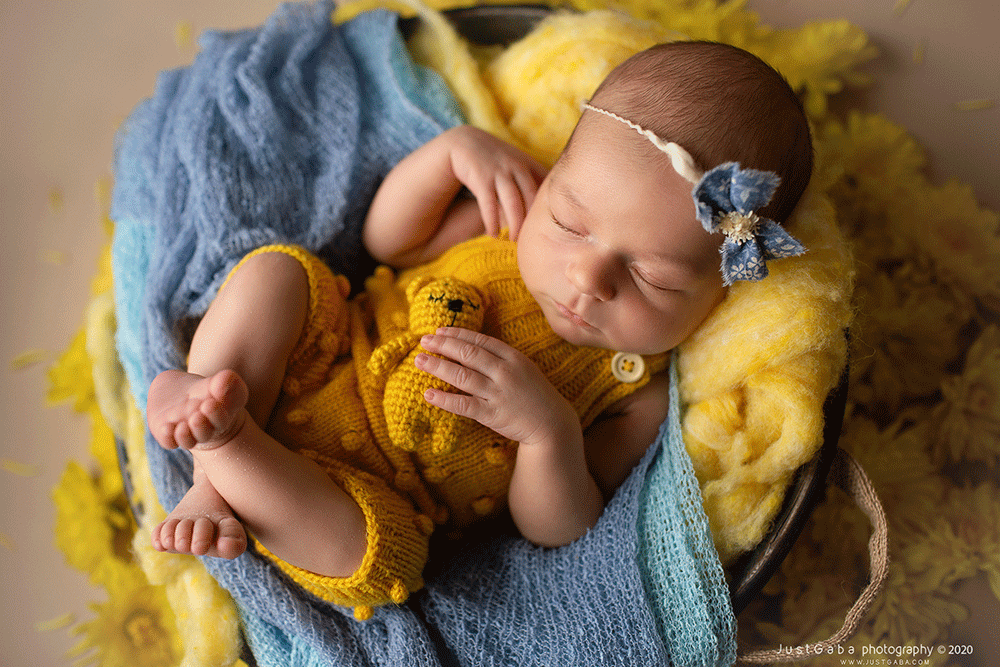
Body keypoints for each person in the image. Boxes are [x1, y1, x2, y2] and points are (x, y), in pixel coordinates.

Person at [146, 40, 813, 618]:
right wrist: (450, 155)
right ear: (552, 179)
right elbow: (388, 242)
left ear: (721, 293)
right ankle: (209, 432)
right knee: (279, 274)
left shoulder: (634, 391)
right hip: (322, 352)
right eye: (570, 224)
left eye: (655, 279)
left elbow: (559, 527)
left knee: (377, 561)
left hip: (364, 493)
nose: (589, 277)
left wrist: (547, 433)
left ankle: (225, 448)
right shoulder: (510, 225)